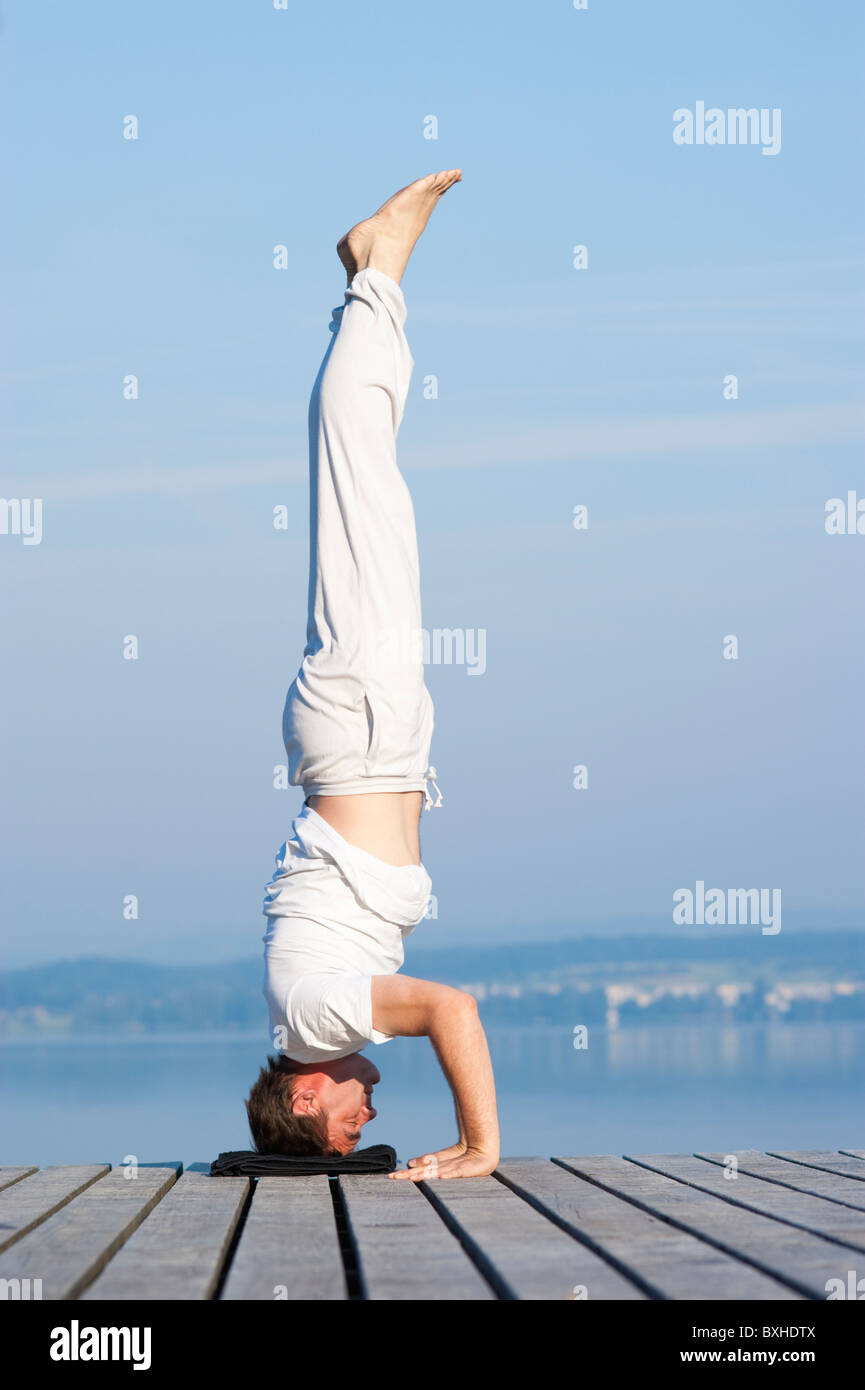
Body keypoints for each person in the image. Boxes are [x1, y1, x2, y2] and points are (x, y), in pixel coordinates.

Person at [246, 171, 500, 1180]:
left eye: (348, 1123)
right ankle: (370, 275)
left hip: (359, 723)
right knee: (373, 489)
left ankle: (375, 268)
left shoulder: (315, 1016)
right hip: (375, 730)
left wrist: (480, 1146)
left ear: (305, 1093)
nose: (370, 1107)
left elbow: (453, 1008)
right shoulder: (318, 1011)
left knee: (358, 475)